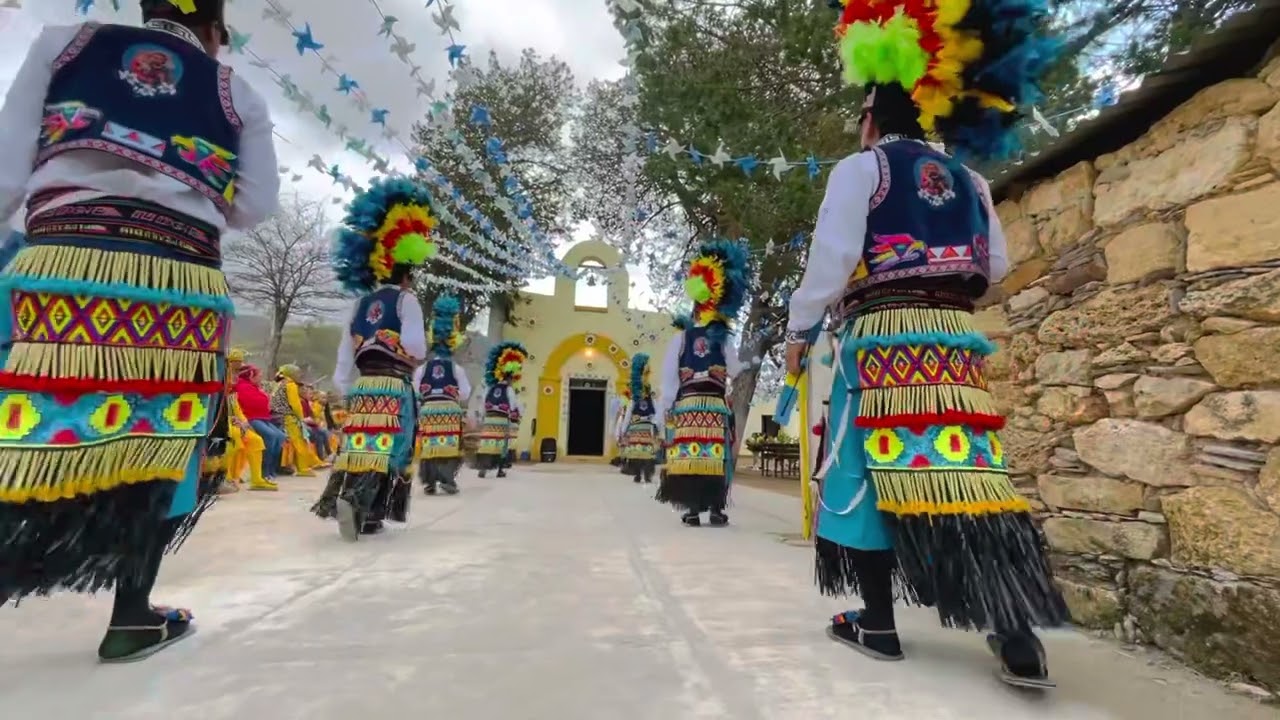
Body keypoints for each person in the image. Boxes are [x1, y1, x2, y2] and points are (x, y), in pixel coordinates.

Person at [783, 0, 1067, 688]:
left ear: (871, 117)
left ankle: (877, 625)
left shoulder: (863, 170)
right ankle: (1015, 633)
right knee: (967, 471)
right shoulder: (969, 180)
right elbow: (993, 268)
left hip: (883, 340)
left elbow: (829, 261)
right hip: (951, 348)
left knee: (868, 469)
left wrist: (799, 334)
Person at [0, 0, 278, 661]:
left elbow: (7, 172)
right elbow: (253, 207)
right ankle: (131, 615)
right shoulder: (234, 91)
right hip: (175, 285)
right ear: (216, 33)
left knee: (28, 422)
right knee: (167, 435)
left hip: (64, 266)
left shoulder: (62, 45)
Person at [311, 176, 435, 541]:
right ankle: (366, 511)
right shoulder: (405, 301)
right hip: (394, 388)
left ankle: (349, 502)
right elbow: (416, 349)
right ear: (408, 271)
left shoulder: (360, 304)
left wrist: (349, 387)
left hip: (364, 388)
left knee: (358, 448)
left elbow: (344, 358)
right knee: (391, 449)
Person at [655, 240, 751, 527]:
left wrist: (667, 407)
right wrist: (745, 364)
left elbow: (669, 379)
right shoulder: (721, 338)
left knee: (692, 457)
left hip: (689, 406)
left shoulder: (681, 339)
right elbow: (733, 369)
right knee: (714, 457)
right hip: (712, 406)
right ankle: (714, 509)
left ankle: (693, 509)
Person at [415, 295, 471, 495]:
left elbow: (415, 390)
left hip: (428, 409)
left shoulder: (422, 369)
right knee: (449, 446)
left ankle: (429, 482)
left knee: (430, 446)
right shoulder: (456, 368)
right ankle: (447, 480)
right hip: (449, 410)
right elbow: (464, 394)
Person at [475, 342, 527, 479]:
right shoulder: (509, 390)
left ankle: (483, 469)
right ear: (510, 378)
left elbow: (483, 403)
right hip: (502, 421)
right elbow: (513, 405)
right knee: (501, 446)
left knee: (487, 444)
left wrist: (482, 417)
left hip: (489, 420)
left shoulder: (490, 388)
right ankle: (499, 470)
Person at [226, 349, 276, 492]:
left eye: (240, 362)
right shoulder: (223, 377)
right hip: (220, 421)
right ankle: (226, 478)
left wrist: (242, 420)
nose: (239, 364)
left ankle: (257, 480)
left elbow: (234, 404)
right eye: (236, 362)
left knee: (256, 440)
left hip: (234, 420)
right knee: (234, 438)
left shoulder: (234, 381)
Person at [269, 364, 326, 476]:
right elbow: (295, 404)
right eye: (297, 373)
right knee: (299, 442)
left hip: (277, 416)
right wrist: (300, 418)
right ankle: (303, 469)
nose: (299, 375)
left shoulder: (278, 384)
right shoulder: (290, 385)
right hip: (289, 417)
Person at [617, 353, 663, 484]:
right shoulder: (646, 394)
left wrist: (623, 430)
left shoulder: (637, 395)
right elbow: (654, 410)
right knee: (646, 454)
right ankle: (645, 475)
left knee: (638, 453)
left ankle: (639, 474)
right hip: (646, 426)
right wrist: (657, 426)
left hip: (638, 427)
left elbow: (629, 413)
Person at [235, 363, 286, 480]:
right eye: (259, 375)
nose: (260, 378)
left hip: (263, 418)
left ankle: (271, 470)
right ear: (251, 375)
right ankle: (264, 471)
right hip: (251, 418)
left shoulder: (254, 387)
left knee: (280, 436)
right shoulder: (242, 386)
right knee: (271, 436)